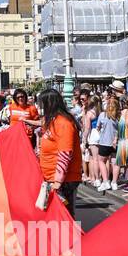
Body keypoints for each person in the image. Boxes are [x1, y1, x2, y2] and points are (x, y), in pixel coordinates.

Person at [37, 88, 82, 217]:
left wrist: (57, 182)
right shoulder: (53, 121)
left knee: (65, 216)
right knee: (54, 216)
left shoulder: (63, 123)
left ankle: (71, 238)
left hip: (63, 181)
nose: (40, 108)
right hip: (51, 178)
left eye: (42, 104)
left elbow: (65, 154)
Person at [92, 93, 120, 191]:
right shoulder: (118, 116)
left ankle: (105, 181)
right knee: (115, 163)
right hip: (116, 143)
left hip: (104, 142)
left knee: (101, 161)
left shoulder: (103, 115)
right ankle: (114, 182)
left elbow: (98, 127)